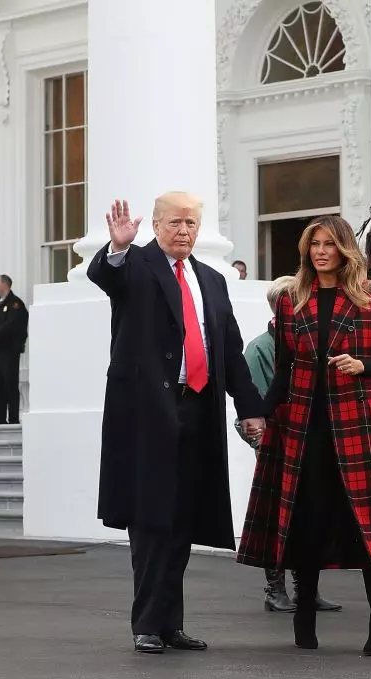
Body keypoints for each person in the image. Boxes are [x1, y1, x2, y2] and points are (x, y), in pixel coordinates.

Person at [236, 215, 371, 656]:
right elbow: (282, 371)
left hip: (359, 429)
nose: (320, 251)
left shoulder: (369, 297)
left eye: (328, 244)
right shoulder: (291, 301)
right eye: (314, 245)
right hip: (304, 431)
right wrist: (258, 412)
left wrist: (362, 366)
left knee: (368, 529)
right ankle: (303, 619)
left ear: (344, 249)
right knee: (307, 526)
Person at [87, 194, 266, 655]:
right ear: (158, 224)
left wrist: (249, 407)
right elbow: (105, 276)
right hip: (148, 412)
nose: (184, 230)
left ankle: (170, 624)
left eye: (191, 223)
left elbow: (230, 350)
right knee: (151, 520)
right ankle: (146, 623)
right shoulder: (136, 267)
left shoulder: (212, 279)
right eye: (175, 222)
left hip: (198, 409)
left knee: (183, 518)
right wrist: (118, 248)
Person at [237, 274, 342, 614]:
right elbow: (250, 406)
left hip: (309, 443)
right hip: (278, 445)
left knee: (309, 518)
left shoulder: (310, 342)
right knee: (276, 520)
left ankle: (305, 590)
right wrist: (261, 438)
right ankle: (275, 589)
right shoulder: (260, 349)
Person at [0, 275, 28, 425]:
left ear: (5, 285)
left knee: (10, 385)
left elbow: (10, 326)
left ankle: (13, 418)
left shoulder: (16, 304)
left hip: (10, 352)